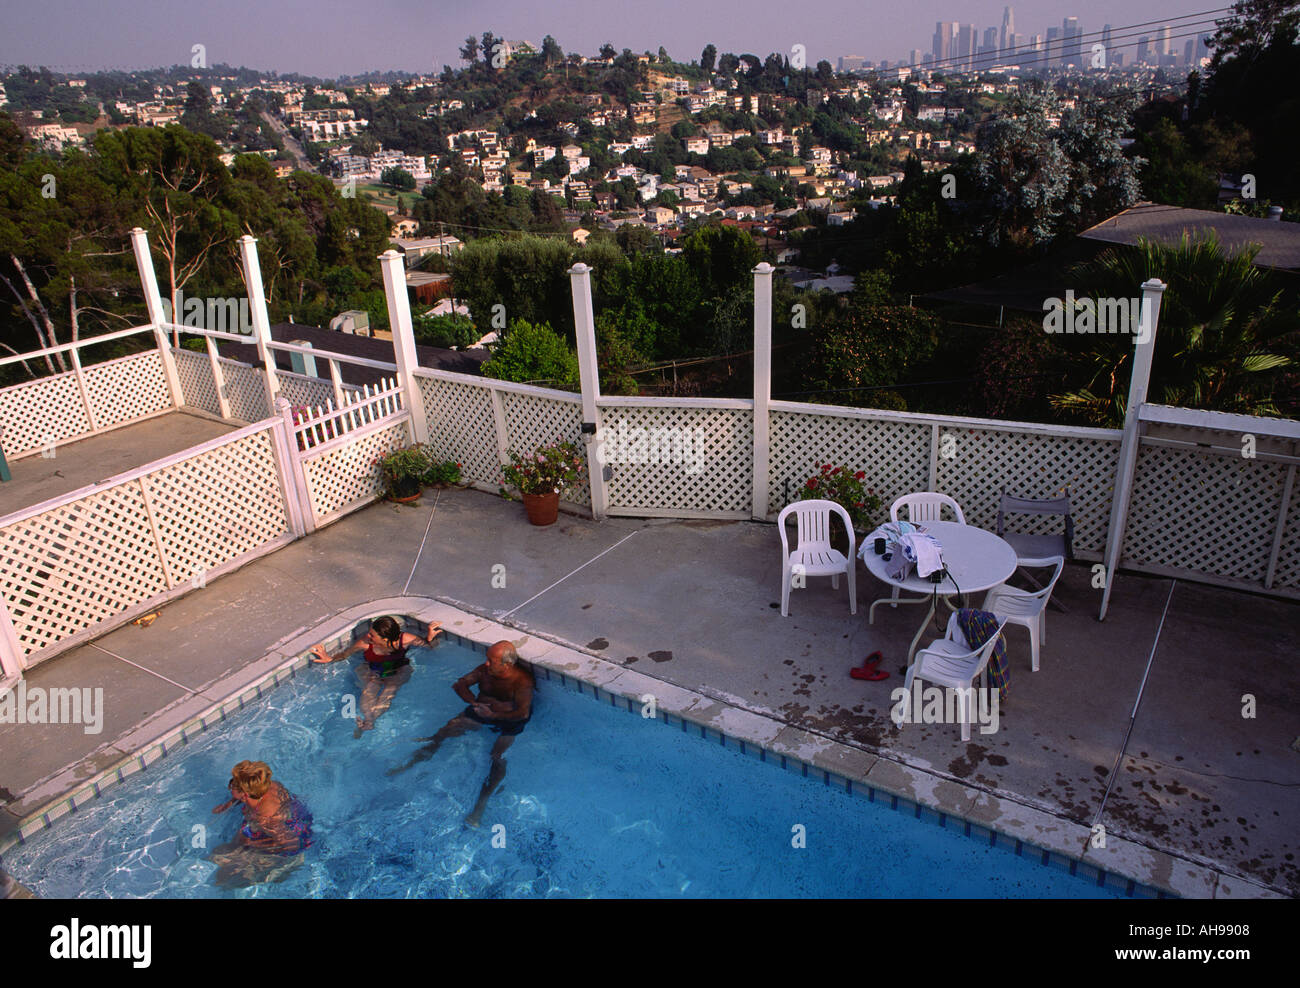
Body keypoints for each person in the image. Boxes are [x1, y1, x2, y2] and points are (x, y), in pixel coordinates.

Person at [388, 640, 534, 827]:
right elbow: (459, 685)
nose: (486, 663)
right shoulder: (484, 671)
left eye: (491, 660)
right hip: (481, 711)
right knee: (443, 732)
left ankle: (480, 807)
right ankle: (410, 764)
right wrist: (474, 703)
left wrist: (494, 714)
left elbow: (523, 713)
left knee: (497, 757)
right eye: (487, 659)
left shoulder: (522, 681)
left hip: (509, 720)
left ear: (506, 664)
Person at [310, 616, 441, 737]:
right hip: (373, 670)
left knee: (390, 689)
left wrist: (430, 637)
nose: (368, 635)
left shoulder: (405, 639)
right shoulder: (365, 643)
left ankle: (370, 720)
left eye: (372, 635)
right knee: (370, 688)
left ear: (385, 639)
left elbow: (428, 647)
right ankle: (368, 720)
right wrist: (330, 658)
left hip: (398, 669)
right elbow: (345, 654)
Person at [208, 760, 313, 888]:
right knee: (219, 853)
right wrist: (227, 805)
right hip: (290, 815)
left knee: (225, 878)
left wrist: (253, 844)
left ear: (245, 795)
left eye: (234, 785)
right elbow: (241, 795)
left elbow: (293, 844)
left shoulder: (265, 818)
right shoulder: (265, 785)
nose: (231, 786)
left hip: (283, 839)